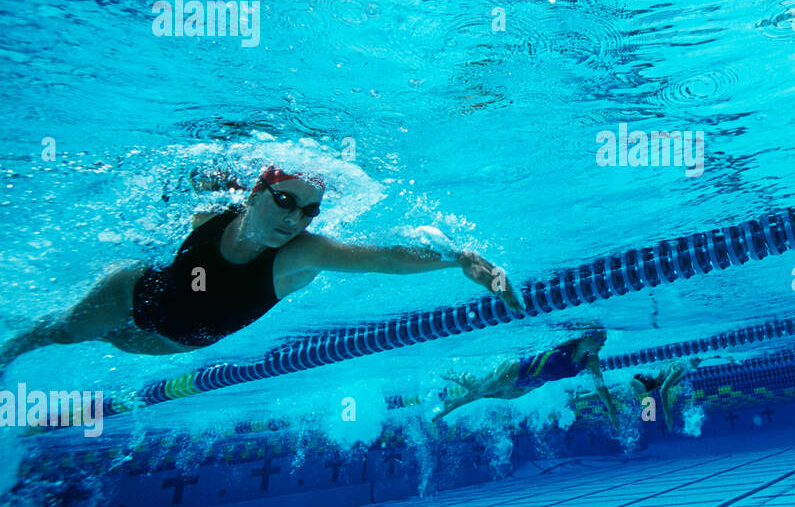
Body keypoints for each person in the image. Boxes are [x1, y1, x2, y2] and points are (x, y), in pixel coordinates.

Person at [0, 164, 522, 368]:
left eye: (309, 211)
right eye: (285, 202)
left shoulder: (301, 254)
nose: (295, 219)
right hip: (132, 291)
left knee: (112, 341)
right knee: (65, 332)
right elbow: (190, 182)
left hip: (172, 340)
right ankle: (11, 348)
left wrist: (460, 260)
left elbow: (383, 257)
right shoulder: (215, 212)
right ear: (256, 192)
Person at [430, 329, 616, 426]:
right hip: (516, 370)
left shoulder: (591, 361)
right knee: (479, 390)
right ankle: (451, 393)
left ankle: (453, 389)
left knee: (485, 393)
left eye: (604, 340)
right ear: (585, 336)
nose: (602, 343)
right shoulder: (567, 343)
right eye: (599, 339)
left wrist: (611, 410)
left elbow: (600, 386)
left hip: (530, 384)